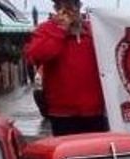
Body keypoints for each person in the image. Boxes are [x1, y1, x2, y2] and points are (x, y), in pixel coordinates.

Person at [24, 0, 107, 136]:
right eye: (63, 5)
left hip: (96, 111)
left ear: (79, 7)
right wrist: (60, 30)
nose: (69, 10)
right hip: (63, 114)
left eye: (72, 4)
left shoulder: (93, 30)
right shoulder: (46, 30)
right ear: (56, 8)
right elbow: (36, 55)